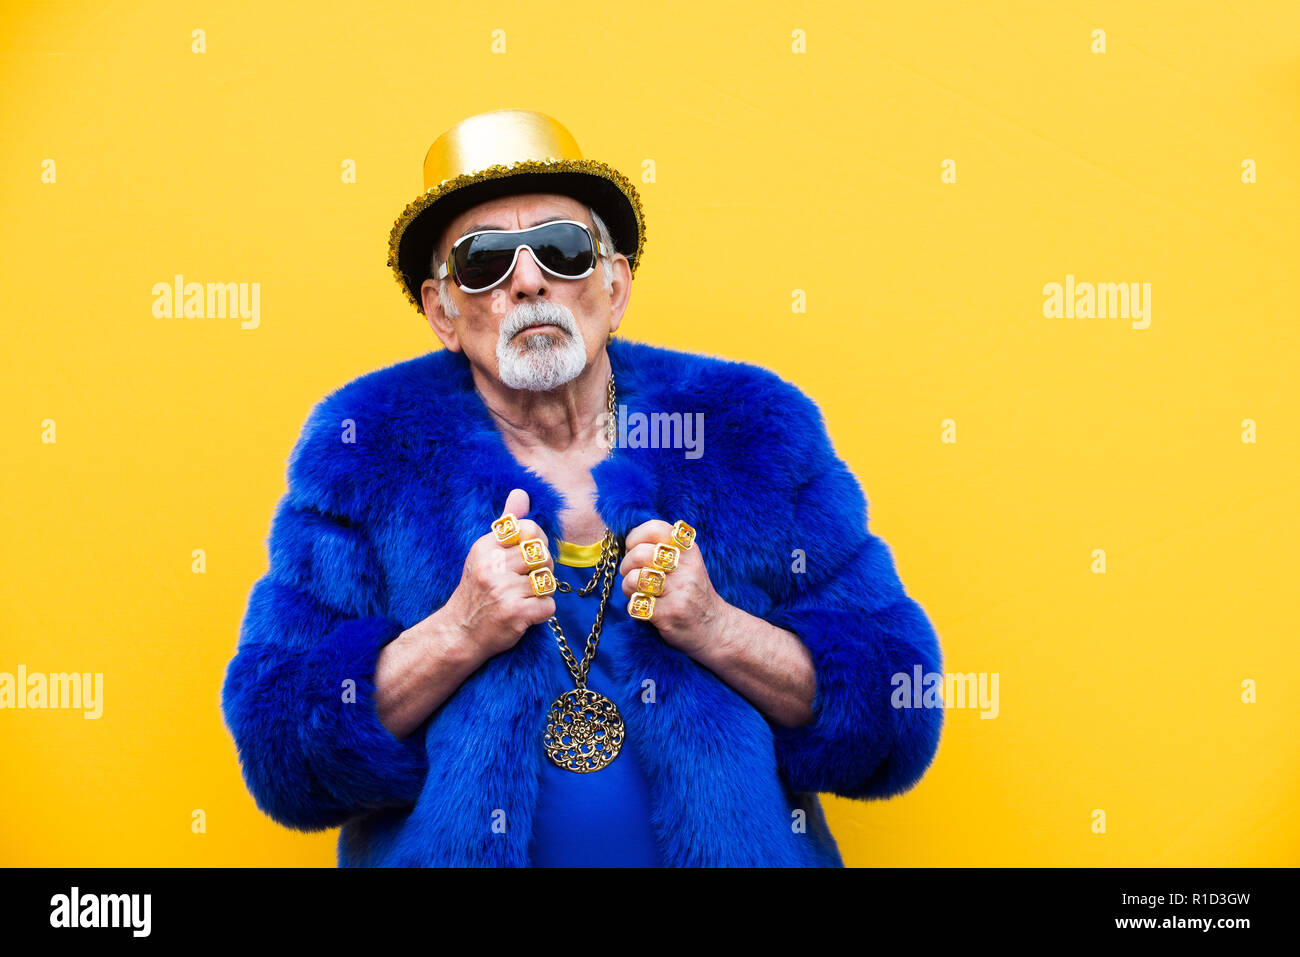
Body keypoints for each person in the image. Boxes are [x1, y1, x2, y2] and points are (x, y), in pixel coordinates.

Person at [221, 108, 943, 867]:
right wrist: (457, 632)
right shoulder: (364, 449)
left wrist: (716, 626)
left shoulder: (750, 429)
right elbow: (282, 750)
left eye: (562, 250)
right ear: (442, 310)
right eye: (483, 261)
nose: (528, 280)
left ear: (614, 283)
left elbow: (899, 706)